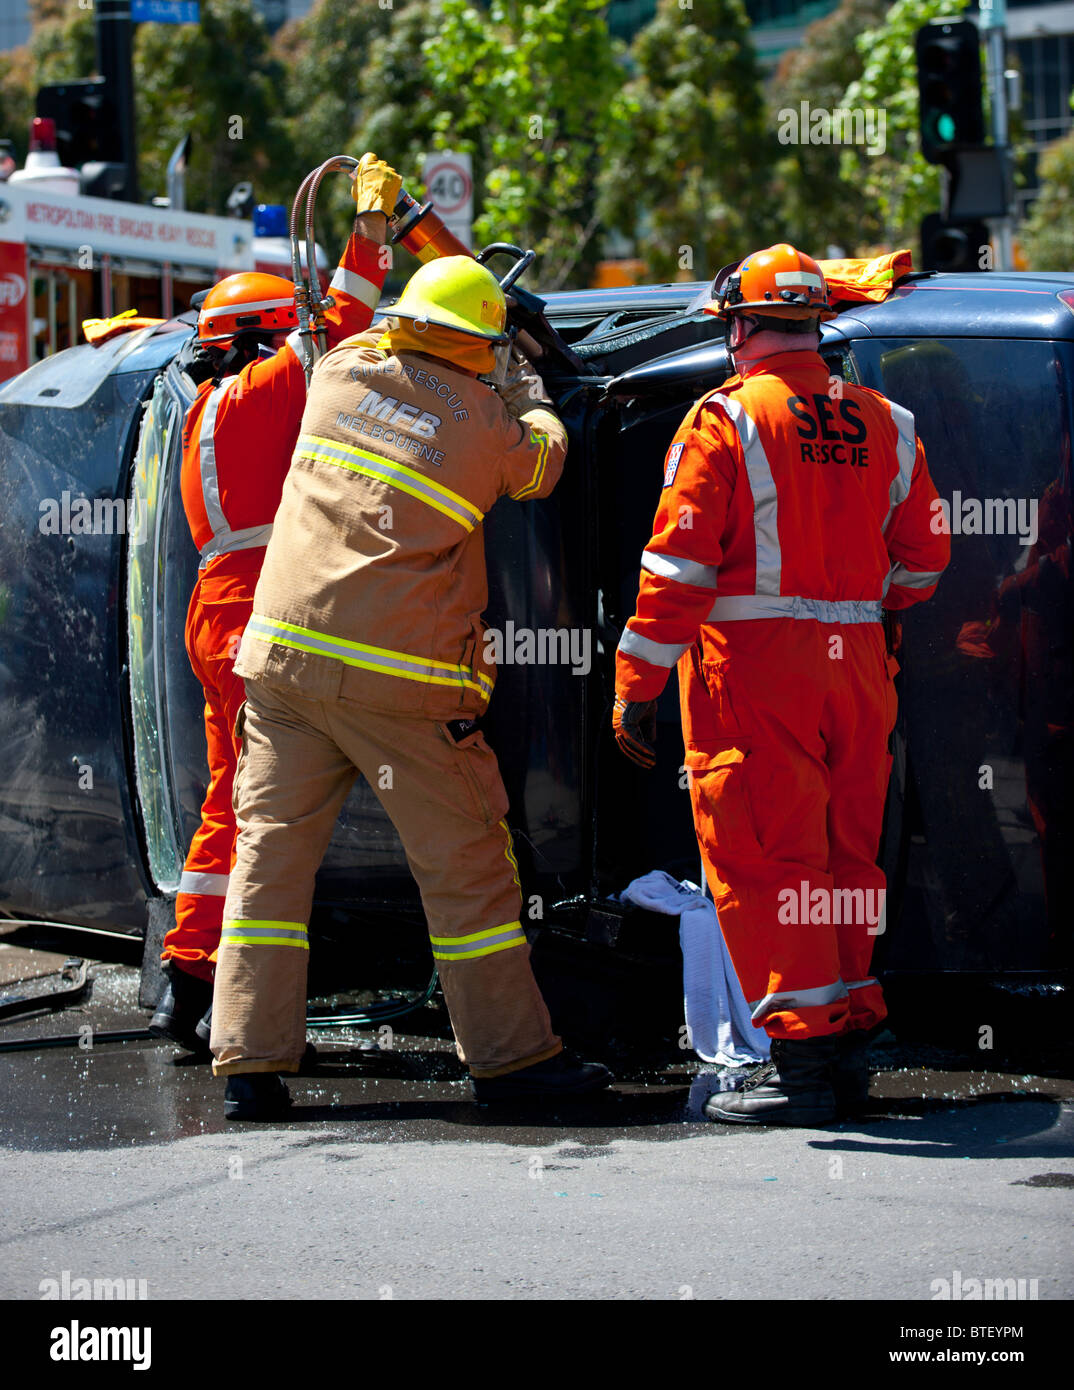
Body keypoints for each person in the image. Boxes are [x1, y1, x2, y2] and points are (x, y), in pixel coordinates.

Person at [210, 254, 613, 1119]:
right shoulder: (480, 420)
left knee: (269, 865)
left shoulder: (340, 369)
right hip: (402, 686)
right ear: (481, 347)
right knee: (467, 870)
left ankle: (249, 1058)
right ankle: (513, 1063)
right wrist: (527, 384)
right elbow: (544, 466)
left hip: (281, 666)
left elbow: (362, 327)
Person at [613, 244, 950, 1126]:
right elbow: (926, 561)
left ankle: (799, 1067)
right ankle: (837, 1050)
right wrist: (854, 610)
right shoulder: (888, 420)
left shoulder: (724, 421)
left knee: (770, 859)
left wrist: (637, 681)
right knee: (844, 856)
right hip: (858, 673)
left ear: (741, 328)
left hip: (758, 676)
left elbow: (677, 570)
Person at [149, 154, 401, 1054]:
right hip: (260, 611)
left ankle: (190, 972)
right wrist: (368, 236)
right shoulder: (260, 391)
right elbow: (340, 327)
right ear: (263, 334)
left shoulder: (202, 406)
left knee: (231, 796)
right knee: (256, 808)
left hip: (218, 612)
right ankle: (204, 987)